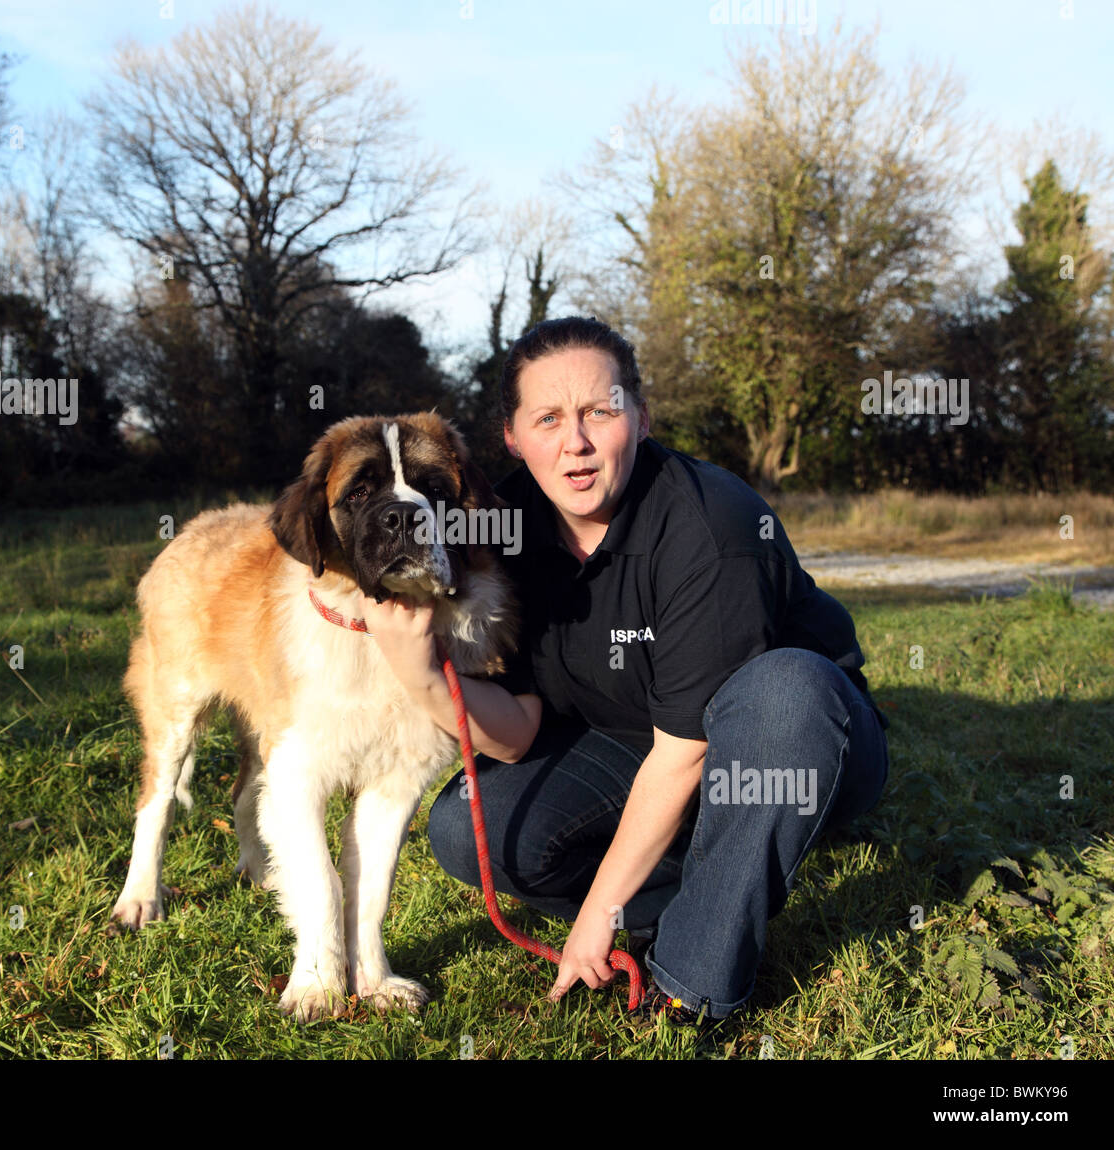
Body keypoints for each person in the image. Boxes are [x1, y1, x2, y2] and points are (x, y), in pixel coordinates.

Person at [363, 315, 889, 1025]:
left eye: (599, 412)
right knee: (465, 828)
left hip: (783, 746)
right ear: (513, 437)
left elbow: (684, 755)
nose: (575, 442)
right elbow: (516, 735)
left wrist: (599, 911)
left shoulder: (714, 527)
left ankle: (692, 979)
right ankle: (699, 890)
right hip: (627, 741)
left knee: (786, 691)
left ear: (641, 419)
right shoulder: (503, 525)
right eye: (547, 418)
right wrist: (421, 674)